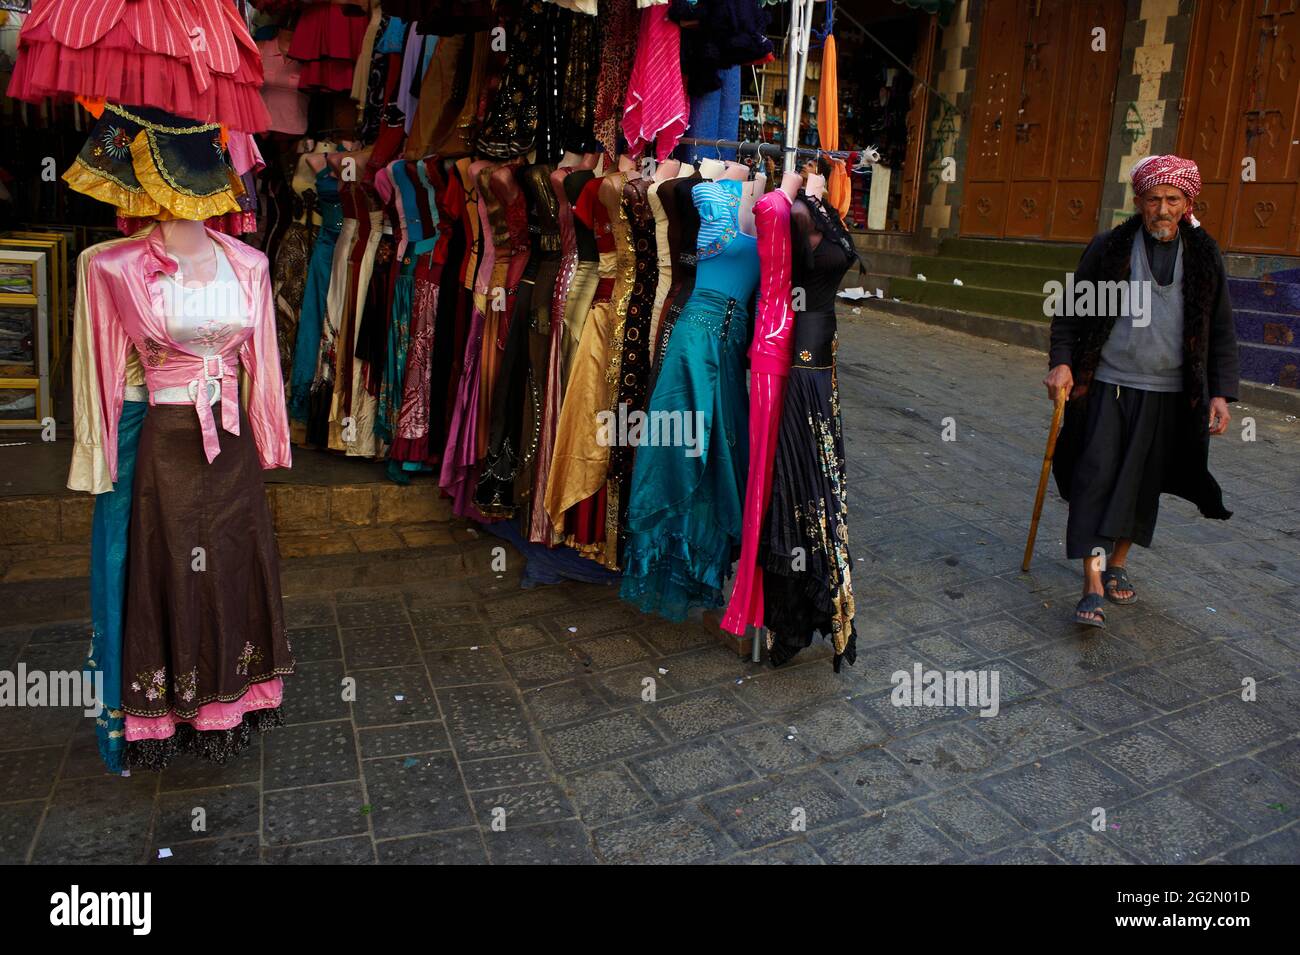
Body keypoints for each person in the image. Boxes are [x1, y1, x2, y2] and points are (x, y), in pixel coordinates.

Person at [1043, 155, 1239, 629]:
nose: (1163, 208)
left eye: (1173, 199)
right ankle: (1091, 583)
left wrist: (1220, 393)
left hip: (1170, 393)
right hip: (1106, 385)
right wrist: (1062, 363)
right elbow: (1070, 313)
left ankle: (1118, 563)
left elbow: (1221, 331)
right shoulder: (1110, 248)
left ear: (1188, 202)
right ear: (1139, 202)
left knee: (1141, 484)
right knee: (1094, 477)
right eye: (1154, 199)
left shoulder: (1205, 256)